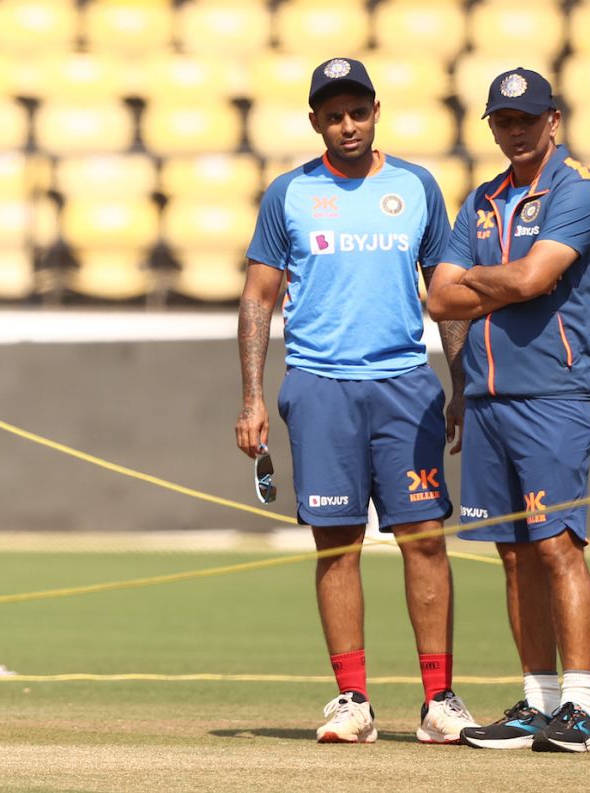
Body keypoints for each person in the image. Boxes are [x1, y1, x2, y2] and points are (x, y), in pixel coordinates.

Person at [236, 57, 478, 744]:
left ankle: (439, 700)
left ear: (376, 113)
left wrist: (460, 383)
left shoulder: (416, 186)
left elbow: (448, 293)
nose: (348, 124)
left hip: (405, 385)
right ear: (316, 121)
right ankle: (352, 700)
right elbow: (258, 298)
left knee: (424, 540)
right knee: (336, 543)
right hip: (318, 386)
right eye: (333, 114)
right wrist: (253, 395)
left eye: (358, 111)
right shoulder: (289, 193)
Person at [426, 68, 590, 754]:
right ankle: (536, 702)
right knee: (512, 553)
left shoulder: (578, 189)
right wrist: (499, 284)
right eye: (503, 120)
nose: (515, 129)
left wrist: (480, 281)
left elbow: (536, 277)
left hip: (553, 394)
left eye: (527, 117)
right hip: (488, 399)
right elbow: (440, 299)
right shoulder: (482, 197)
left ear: (553, 120)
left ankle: (580, 708)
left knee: (557, 544)